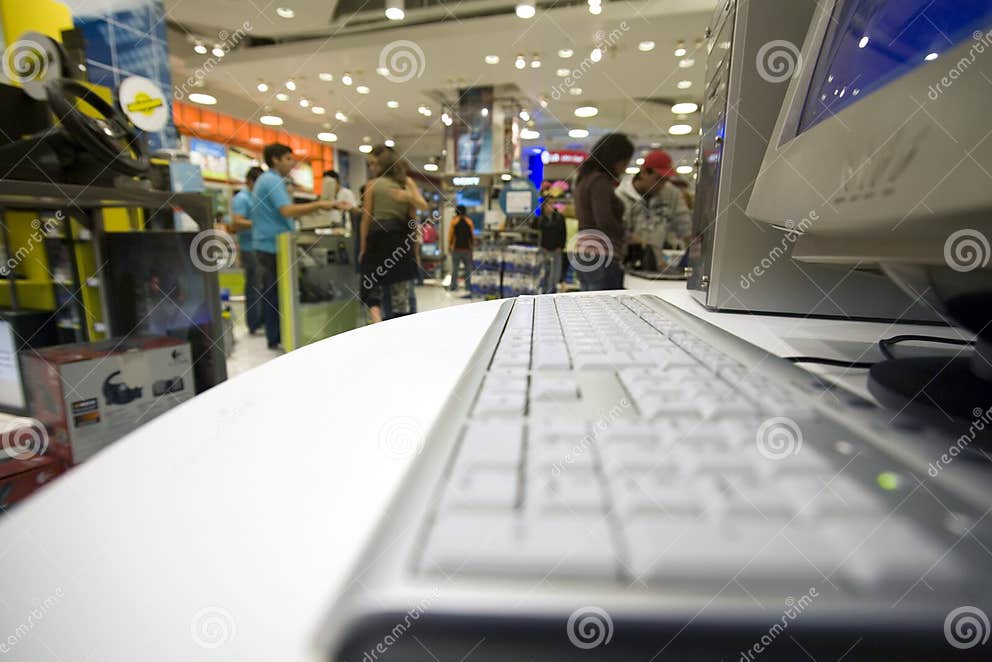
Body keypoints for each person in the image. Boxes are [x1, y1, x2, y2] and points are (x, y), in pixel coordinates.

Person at [253, 143, 338, 349]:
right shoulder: (271, 180)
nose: (292, 164)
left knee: (275, 291)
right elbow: (287, 211)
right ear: (276, 159)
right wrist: (319, 205)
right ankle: (278, 337)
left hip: (270, 243)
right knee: (277, 293)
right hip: (272, 245)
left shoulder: (270, 180)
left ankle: (278, 335)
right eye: (289, 159)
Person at [360, 145, 428, 323]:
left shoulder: (372, 185)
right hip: (400, 239)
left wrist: (363, 248)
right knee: (401, 292)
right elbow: (414, 219)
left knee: (374, 285)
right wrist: (415, 249)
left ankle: (378, 324)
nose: (372, 168)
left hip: (376, 239)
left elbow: (366, 220)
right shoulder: (406, 184)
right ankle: (402, 327)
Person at [573, 133, 635, 291]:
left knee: (589, 308)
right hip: (603, 255)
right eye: (624, 163)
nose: (624, 168)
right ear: (615, 159)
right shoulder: (600, 181)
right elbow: (604, 220)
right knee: (605, 312)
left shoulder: (584, 179)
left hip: (584, 252)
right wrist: (627, 236)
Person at [615, 150, 692, 264]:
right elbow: (617, 233)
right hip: (625, 265)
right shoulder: (620, 196)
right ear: (643, 172)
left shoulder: (671, 194)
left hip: (656, 265)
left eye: (666, 180)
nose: (662, 185)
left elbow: (685, 227)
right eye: (659, 179)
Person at [229, 166, 264, 334]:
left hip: (258, 247)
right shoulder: (242, 198)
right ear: (250, 181)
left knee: (260, 286)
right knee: (254, 286)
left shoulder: (255, 197)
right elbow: (236, 222)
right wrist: (260, 225)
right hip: (249, 248)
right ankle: (254, 323)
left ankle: (260, 321)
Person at [532, 198, 567, 293]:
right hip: (543, 250)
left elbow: (563, 234)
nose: (551, 206)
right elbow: (533, 235)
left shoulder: (560, 218)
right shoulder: (538, 219)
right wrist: (540, 247)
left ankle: (552, 293)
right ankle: (542, 293)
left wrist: (560, 247)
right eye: (549, 203)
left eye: (553, 203)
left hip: (556, 251)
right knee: (543, 274)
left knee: (555, 275)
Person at [448, 205, 474, 293]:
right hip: (467, 249)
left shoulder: (454, 221)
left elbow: (451, 235)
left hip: (456, 249)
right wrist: (472, 247)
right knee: (468, 269)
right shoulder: (469, 222)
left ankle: (453, 287)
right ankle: (468, 287)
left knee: (455, 269)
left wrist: (449, 246)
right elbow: (472, 236)